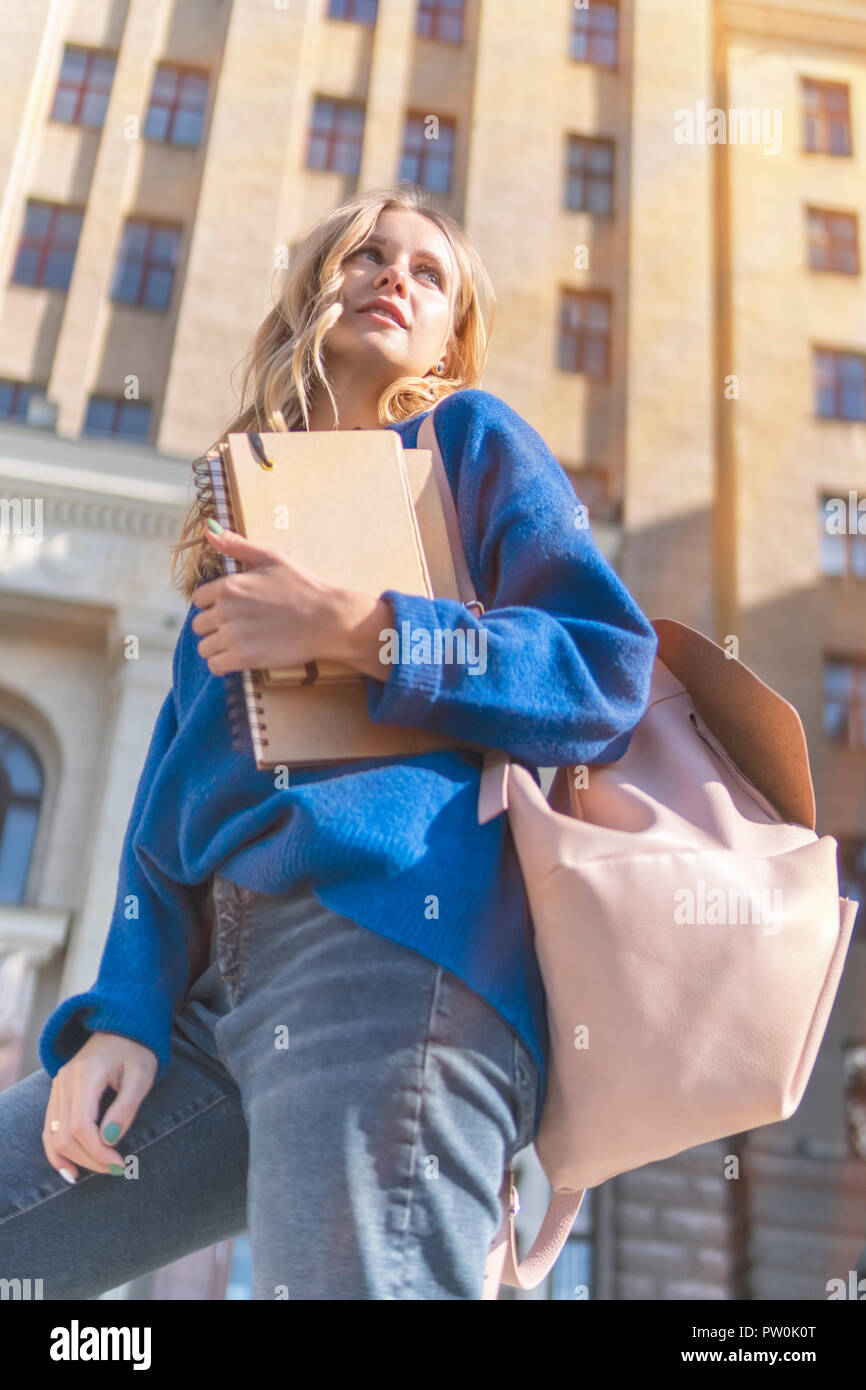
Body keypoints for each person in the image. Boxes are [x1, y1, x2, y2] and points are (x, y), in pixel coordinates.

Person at [0, 183, 658, 1300]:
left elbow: (603, 669)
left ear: (453, 335)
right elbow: (170, 809)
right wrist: (123, 1010)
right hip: (216, 1001)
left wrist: (365, 631)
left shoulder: (466, 442)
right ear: (312, 288)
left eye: (428, 271)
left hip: (392, 960)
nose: (393, 276)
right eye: (364, 254)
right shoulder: (235, 529)